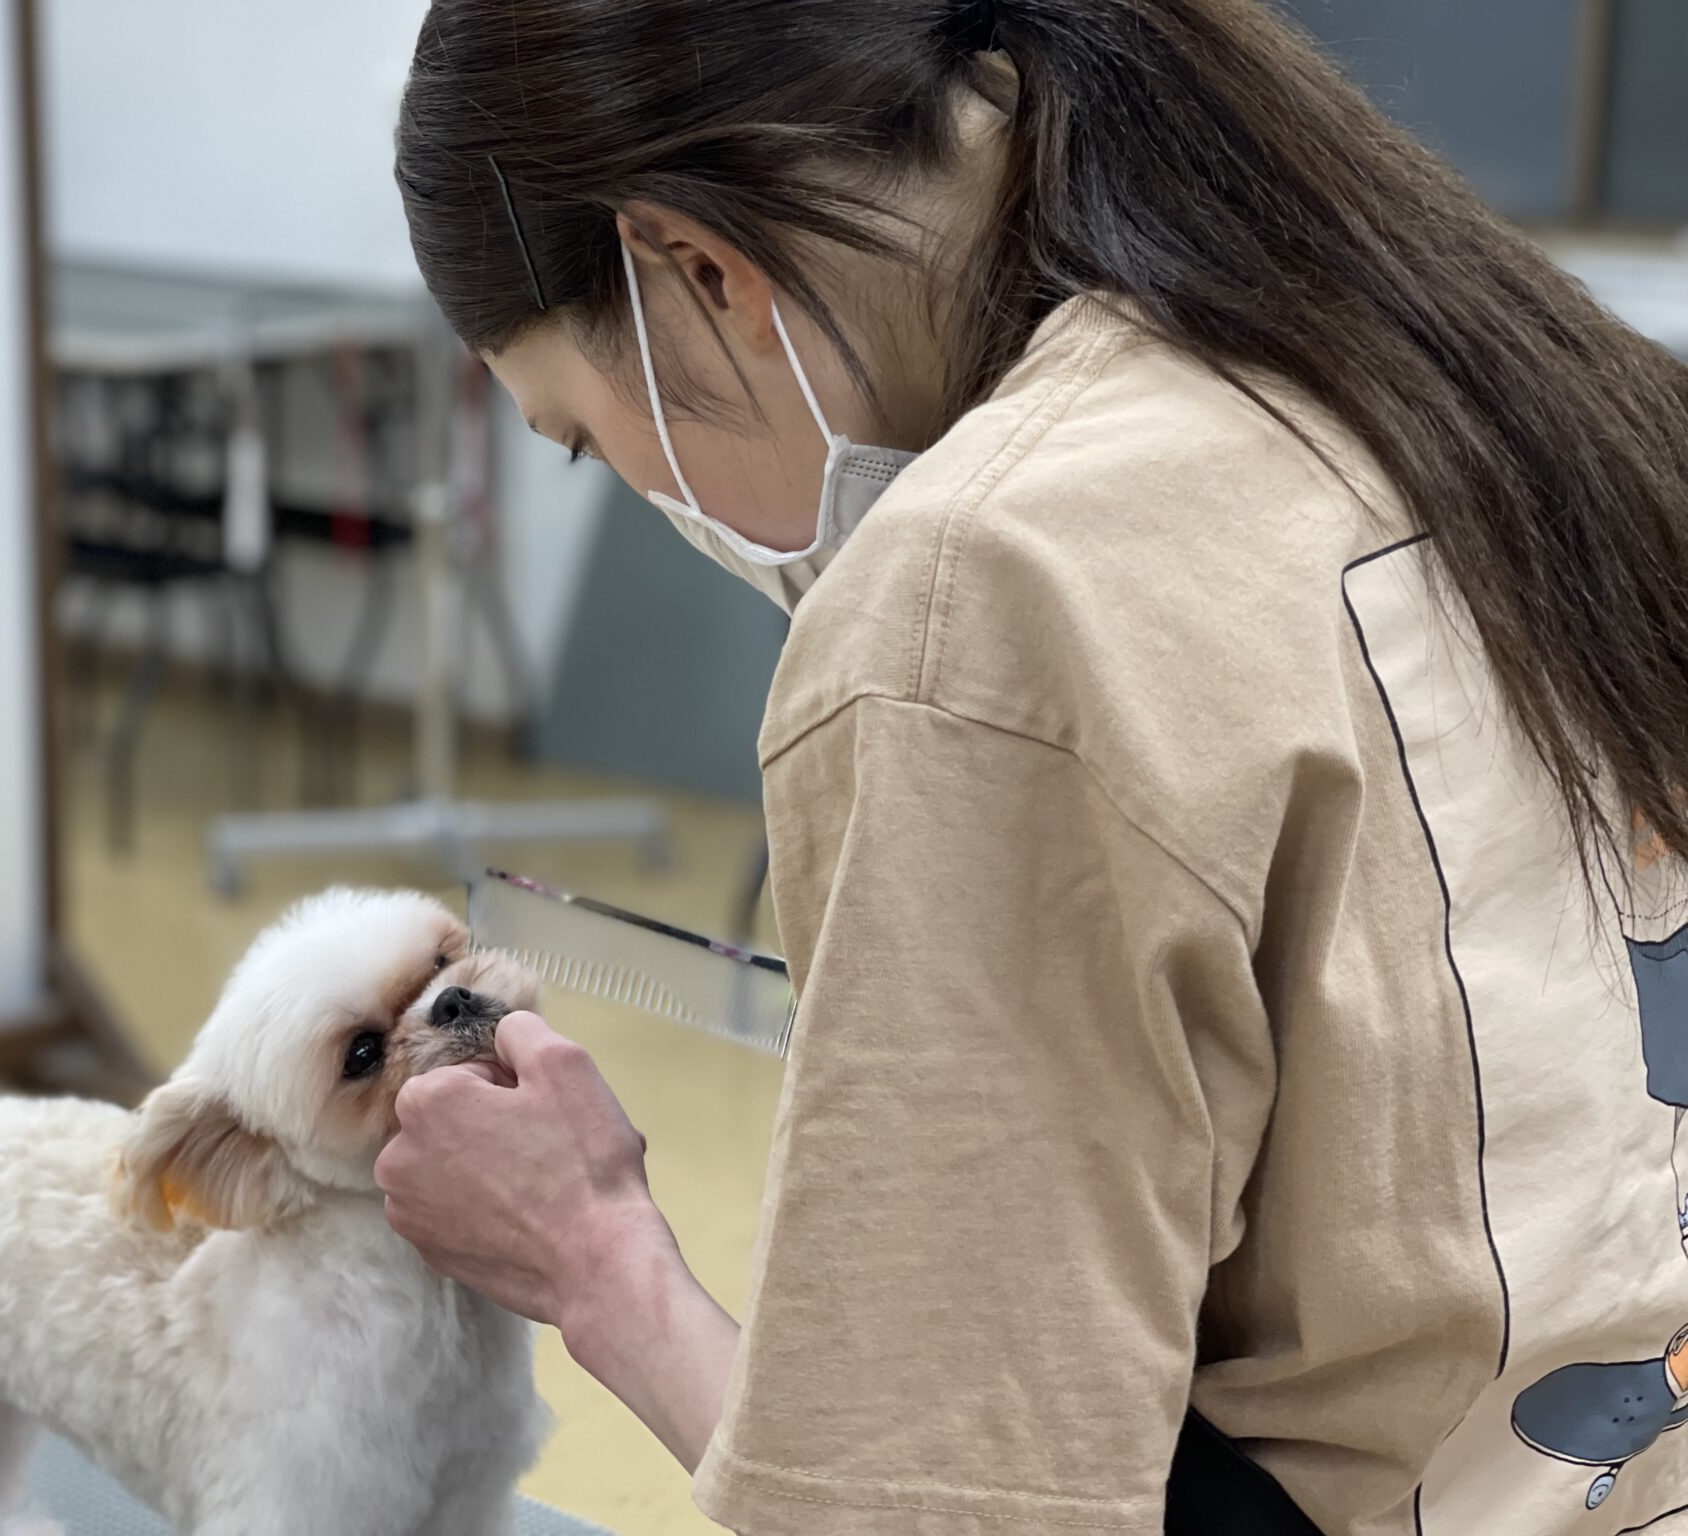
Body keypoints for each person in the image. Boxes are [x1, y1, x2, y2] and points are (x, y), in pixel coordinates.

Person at [376, 1, 1688, 1531]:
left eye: (590, 436)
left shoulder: (984, 598)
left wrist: (595, 1256)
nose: (652, 490)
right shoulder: (1511, 373)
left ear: (698, 273)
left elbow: (937, 1512)